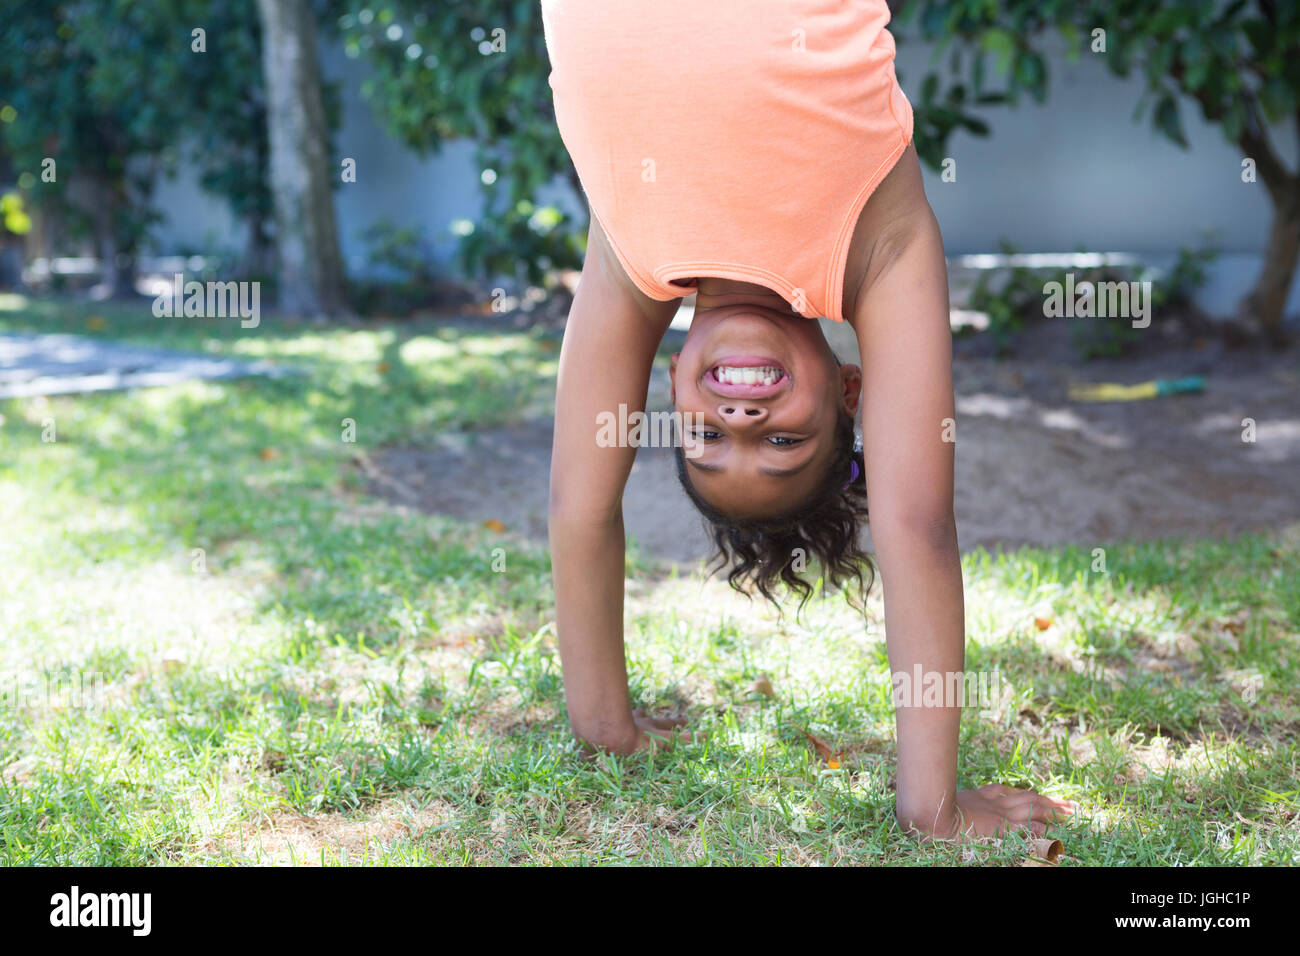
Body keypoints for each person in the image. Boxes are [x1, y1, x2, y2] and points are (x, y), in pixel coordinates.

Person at [542, 0, 1073, 840]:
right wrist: (930, 808)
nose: (743, 414)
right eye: (784, 439)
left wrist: (606, 728)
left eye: (708, 437)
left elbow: (580, 505)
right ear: (849, 391)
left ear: (670, 384)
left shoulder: (633, 259)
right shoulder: (879, 252)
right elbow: (915, 521)